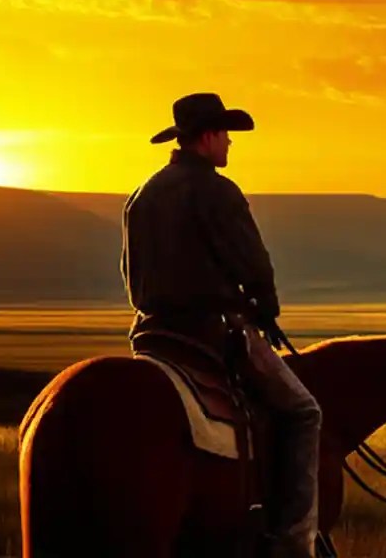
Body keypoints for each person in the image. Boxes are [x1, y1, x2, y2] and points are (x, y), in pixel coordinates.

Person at [120, 92, 320, 558]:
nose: (230, 143)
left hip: (151, 337)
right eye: (226, 134)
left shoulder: (142, 195)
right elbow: (251, 261)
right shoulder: (216, 191)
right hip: (210, 333)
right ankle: (293, 543)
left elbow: (131, 277)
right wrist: (265, 304)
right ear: (207, 137)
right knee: (304, 412)